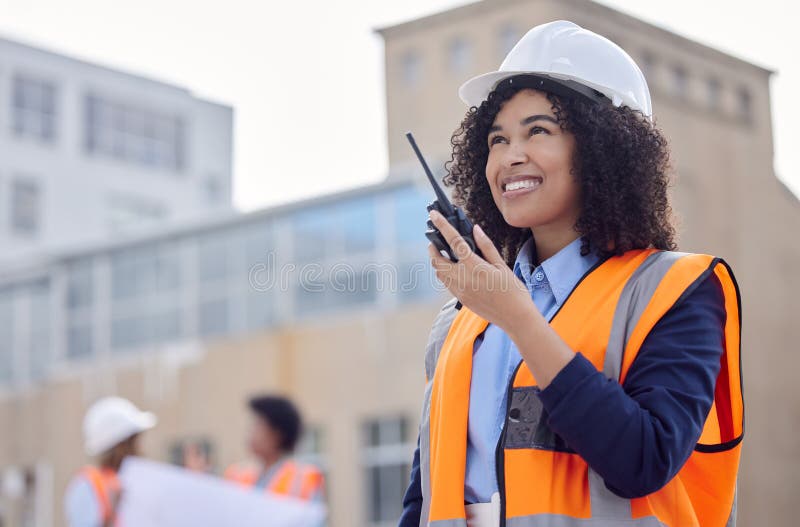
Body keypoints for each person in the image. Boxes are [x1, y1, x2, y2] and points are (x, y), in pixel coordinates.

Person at [399, 20, 742, 527]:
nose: (510, 156)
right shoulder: (459, 321)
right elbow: (423, 494)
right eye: (497, 139)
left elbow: (642, 461)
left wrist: (518, 317)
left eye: (539, 130)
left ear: (607, 149)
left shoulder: (678, 291)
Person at [64, 396, 157, 527]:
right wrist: (113, 512)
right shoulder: (87, 486)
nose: (140, 448)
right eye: (134, 441)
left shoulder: (139, 481)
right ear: (120, 445)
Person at [225, 395, 324, 502]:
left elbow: (313, 516)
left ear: (277, 434)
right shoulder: (237, 475)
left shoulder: (303, 479)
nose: (251, 433)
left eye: (257, 426)